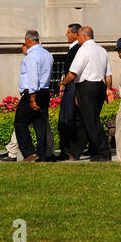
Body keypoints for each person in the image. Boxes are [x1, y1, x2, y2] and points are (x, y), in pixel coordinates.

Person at [56, 26, 112, 160]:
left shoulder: (83, 50)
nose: (77, 38)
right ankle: (75, 152)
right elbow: (108, 74)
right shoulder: (102, 50)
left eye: (79, 36)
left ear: (84, 37)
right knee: (85, 120)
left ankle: (103, 152)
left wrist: (63, 83)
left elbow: (73, 72)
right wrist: (108, 89)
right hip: (99, 86)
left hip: (87, 87)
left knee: (91, 121)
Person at [12, 30, 53, 162]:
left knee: (20, 122)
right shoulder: (47, 54)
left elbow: (33, 78)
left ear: (28, 40)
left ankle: (29, 152)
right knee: (40, 124)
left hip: (33, 92)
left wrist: (32, 98)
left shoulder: (31, 56)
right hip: (45, 91)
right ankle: (42, 154)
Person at [52, 23, 84, 160]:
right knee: (70, 118)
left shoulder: (77, 49)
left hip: (71, 86)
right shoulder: (75, 48)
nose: (66, 34)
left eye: (69, 32)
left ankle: (68, 150)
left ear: (76, 34)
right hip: (71, 86)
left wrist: (63, 82)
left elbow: (73, 72)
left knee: (67, 119)